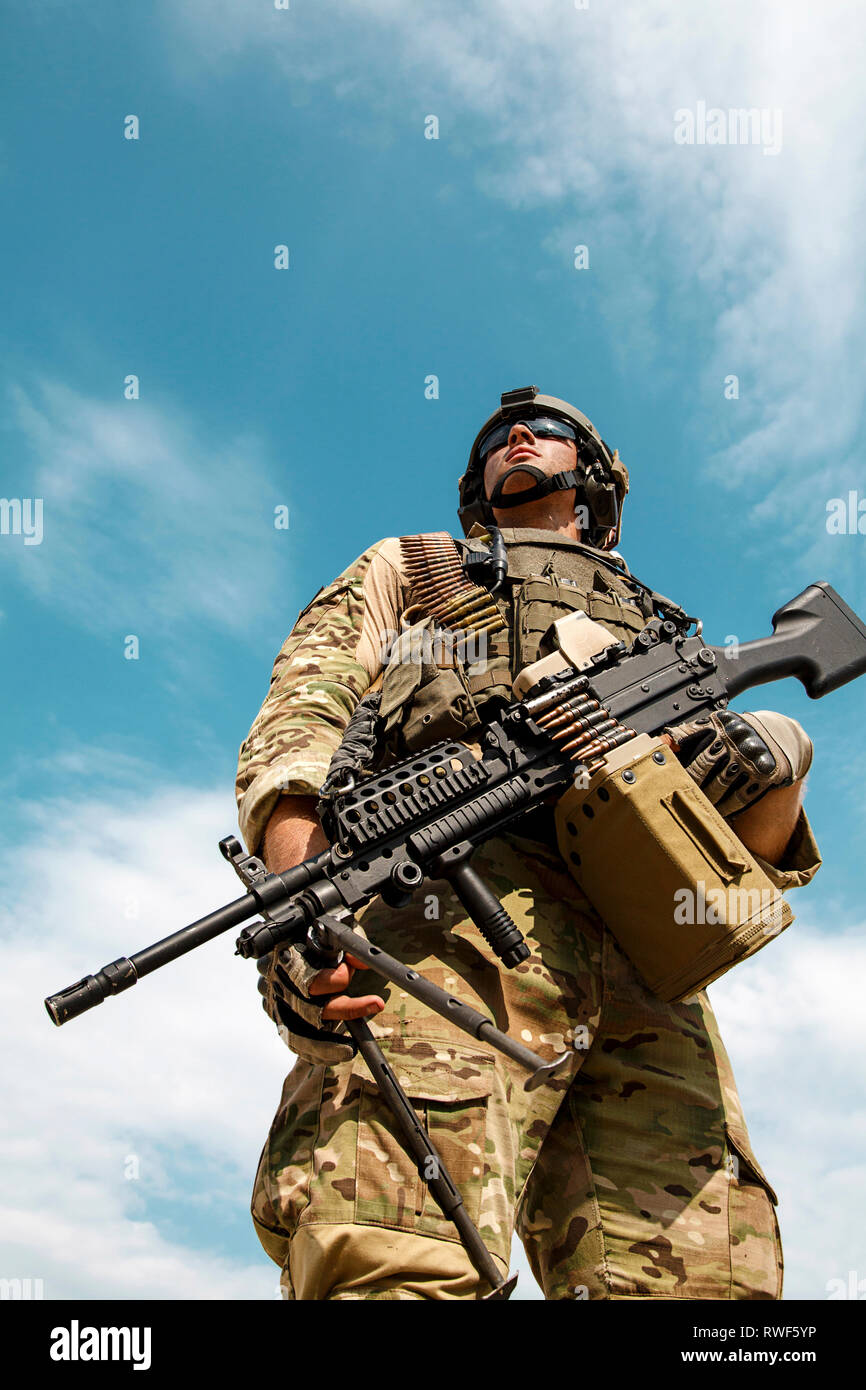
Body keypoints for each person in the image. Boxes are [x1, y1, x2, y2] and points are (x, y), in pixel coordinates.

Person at [235, 387, 820, 1300]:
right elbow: (302, 720)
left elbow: (749, 876)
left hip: (646, 966)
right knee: (393, 1255)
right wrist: (300, 900)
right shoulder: (417, 567)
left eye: (546, 434)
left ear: (595, 482)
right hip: (450, 919)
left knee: (709, 1296)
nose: (516, 435)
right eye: (498, 438)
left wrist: (778, 767)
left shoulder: (658, 621)